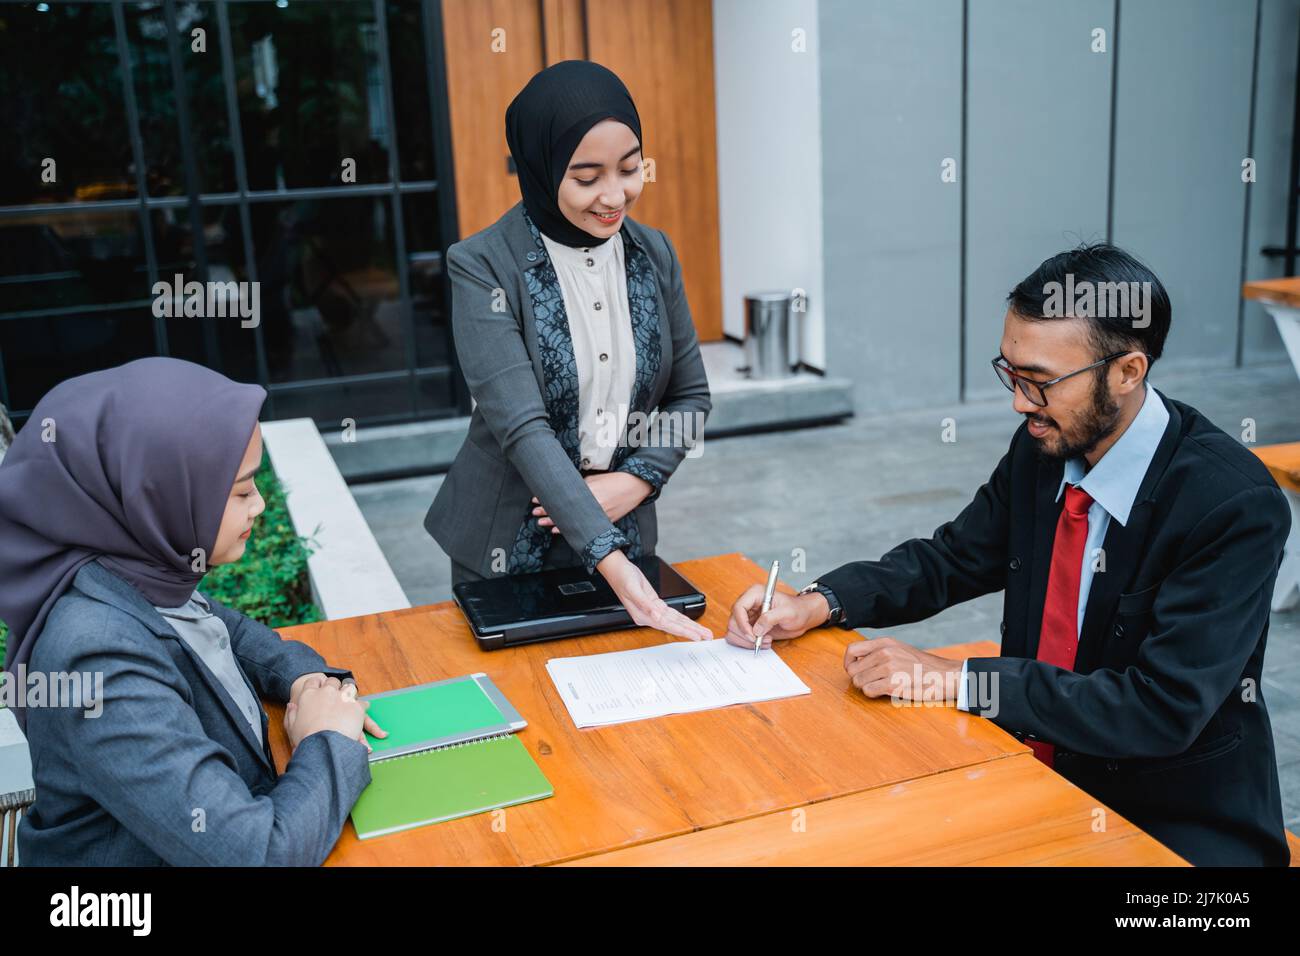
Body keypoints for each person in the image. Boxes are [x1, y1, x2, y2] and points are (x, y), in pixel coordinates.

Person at [726, 244, 1292, 866]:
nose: (1020, 403)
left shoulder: (1230, 503)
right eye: (1011, 373)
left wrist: (960, 680)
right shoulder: (1045, 445)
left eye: (1040, 383)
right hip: (1036, 766)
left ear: (1128, 371)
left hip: (1176, 819)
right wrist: (816, 602)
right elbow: (953, 557)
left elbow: (1160, 708)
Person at [0, 357, 385, 865]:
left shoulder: (136, 571)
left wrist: (305, 680)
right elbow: (255, 855)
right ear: (155, 495)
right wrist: (326, 738)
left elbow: (227, 629)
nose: (261, 505)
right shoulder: (97, 664)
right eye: (243, 490)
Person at [424, 60, 712, 642]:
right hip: (507, 541)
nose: (615, 195)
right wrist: (608, 553)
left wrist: (633, 483)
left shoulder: (653, 253)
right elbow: (522, 427)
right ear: (541, 166)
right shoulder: (482, 266)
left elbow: (691, 396)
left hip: (627, 527)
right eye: (586, 177)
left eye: (630, 169)